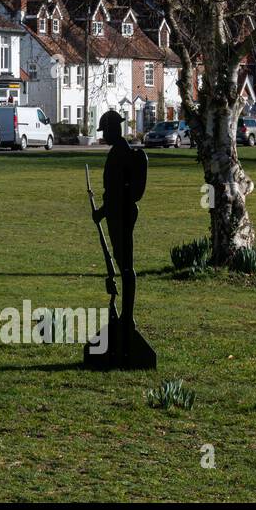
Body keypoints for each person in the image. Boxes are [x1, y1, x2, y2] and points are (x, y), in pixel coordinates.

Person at [92, 110, 138, 355]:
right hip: (119, 213)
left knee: (125, 266)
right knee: (123, 265)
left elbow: (116, 193)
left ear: (113, 129)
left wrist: (101, 212)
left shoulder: (120, 154)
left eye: (106, 131)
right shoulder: (121, 151)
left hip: (120, 214)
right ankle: (125, 315)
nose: (105, 136)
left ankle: (127, 317)